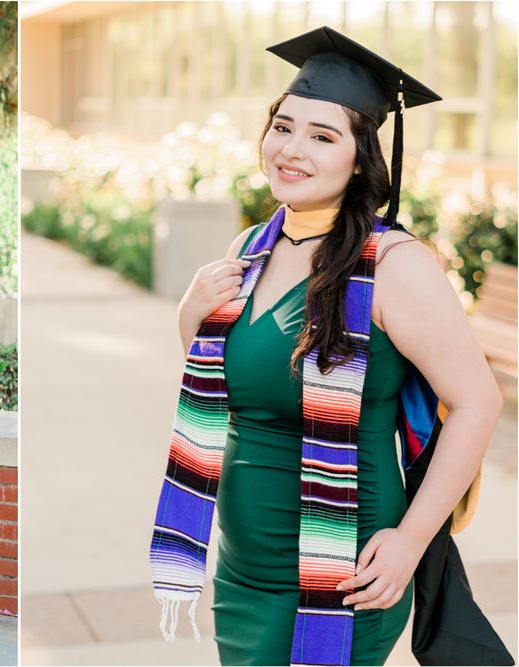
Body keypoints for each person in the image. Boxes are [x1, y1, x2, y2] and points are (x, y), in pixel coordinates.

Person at [149, 27, 504, 666]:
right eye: (282, 127)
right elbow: (229, 387)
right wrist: (191, 314)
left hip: (342, 573)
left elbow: (478, 402)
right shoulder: (251, 250)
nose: (291, 150)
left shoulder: (394, 264)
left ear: (362, 159)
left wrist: (411, 541)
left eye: (322, 136)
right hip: (241, 573)